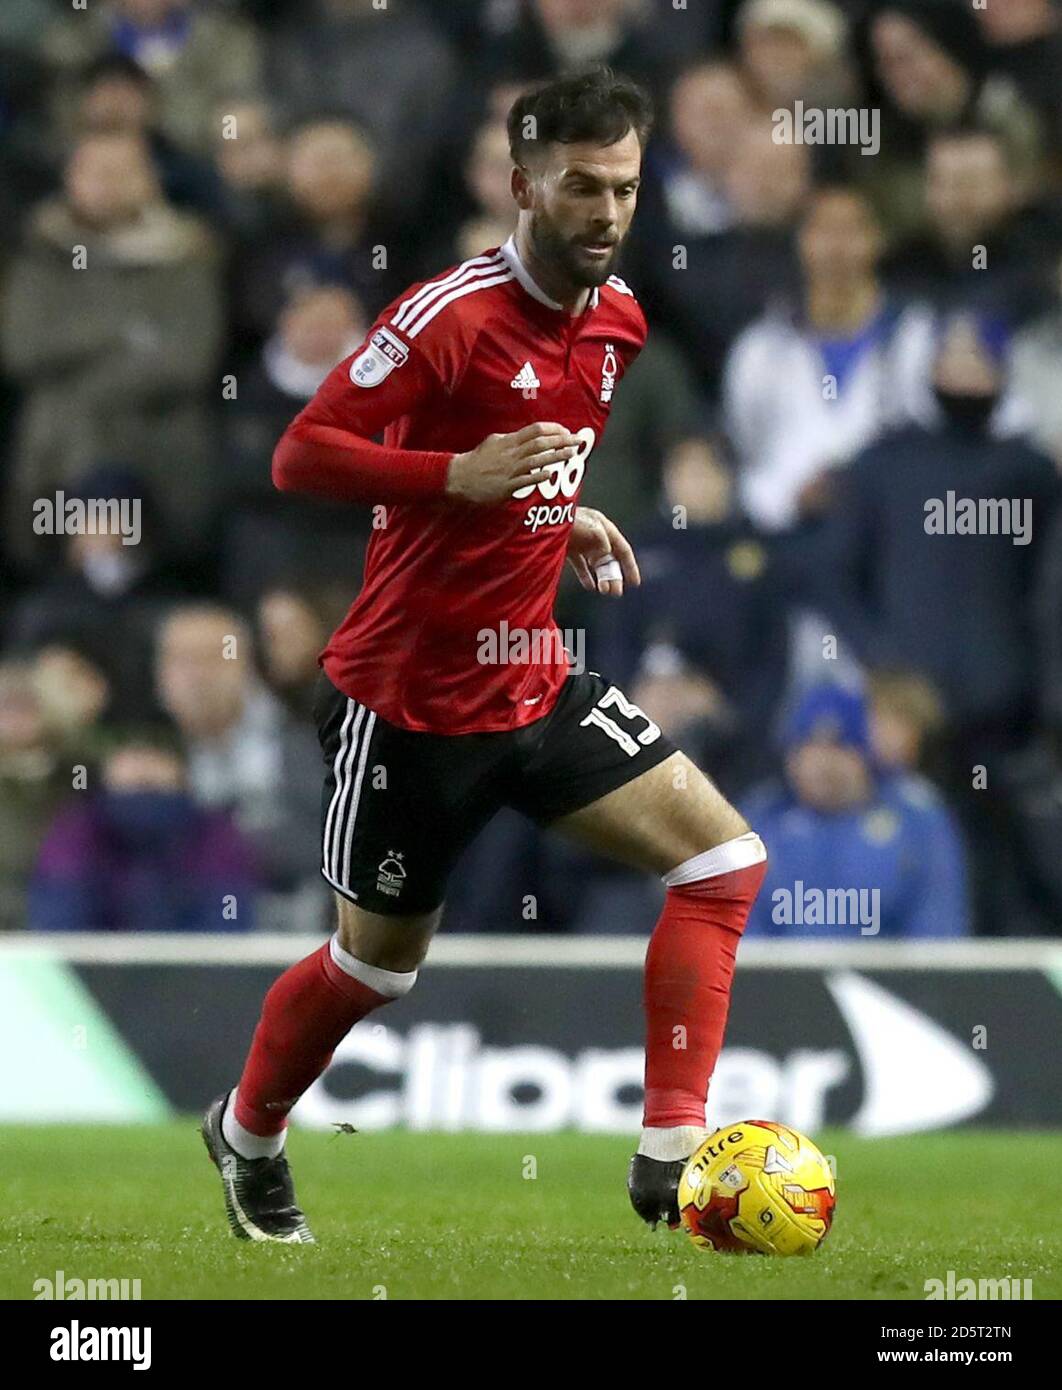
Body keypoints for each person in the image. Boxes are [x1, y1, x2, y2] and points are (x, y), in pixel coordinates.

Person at [200, 67, 769, 1244]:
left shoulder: (619, 321)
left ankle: (671, 1156)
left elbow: (528, 463)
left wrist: (563, 513)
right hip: (406, 704)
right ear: (521, 184)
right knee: (377, 972)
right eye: (579, 187)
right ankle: (248, 1133)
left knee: (722, 863)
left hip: (537, 676)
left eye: (623, 186)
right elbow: (303, 455)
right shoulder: (446, 316)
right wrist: (449, 476)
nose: (607, 211)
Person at [741, 683, 970, 939]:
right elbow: (738, 932)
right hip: (778, 977)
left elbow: (938, 928)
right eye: (807, 746)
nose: (823, 762)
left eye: (839, 746)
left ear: (865, 755)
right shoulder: (760, 819)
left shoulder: (916, 820)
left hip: (887, 976)